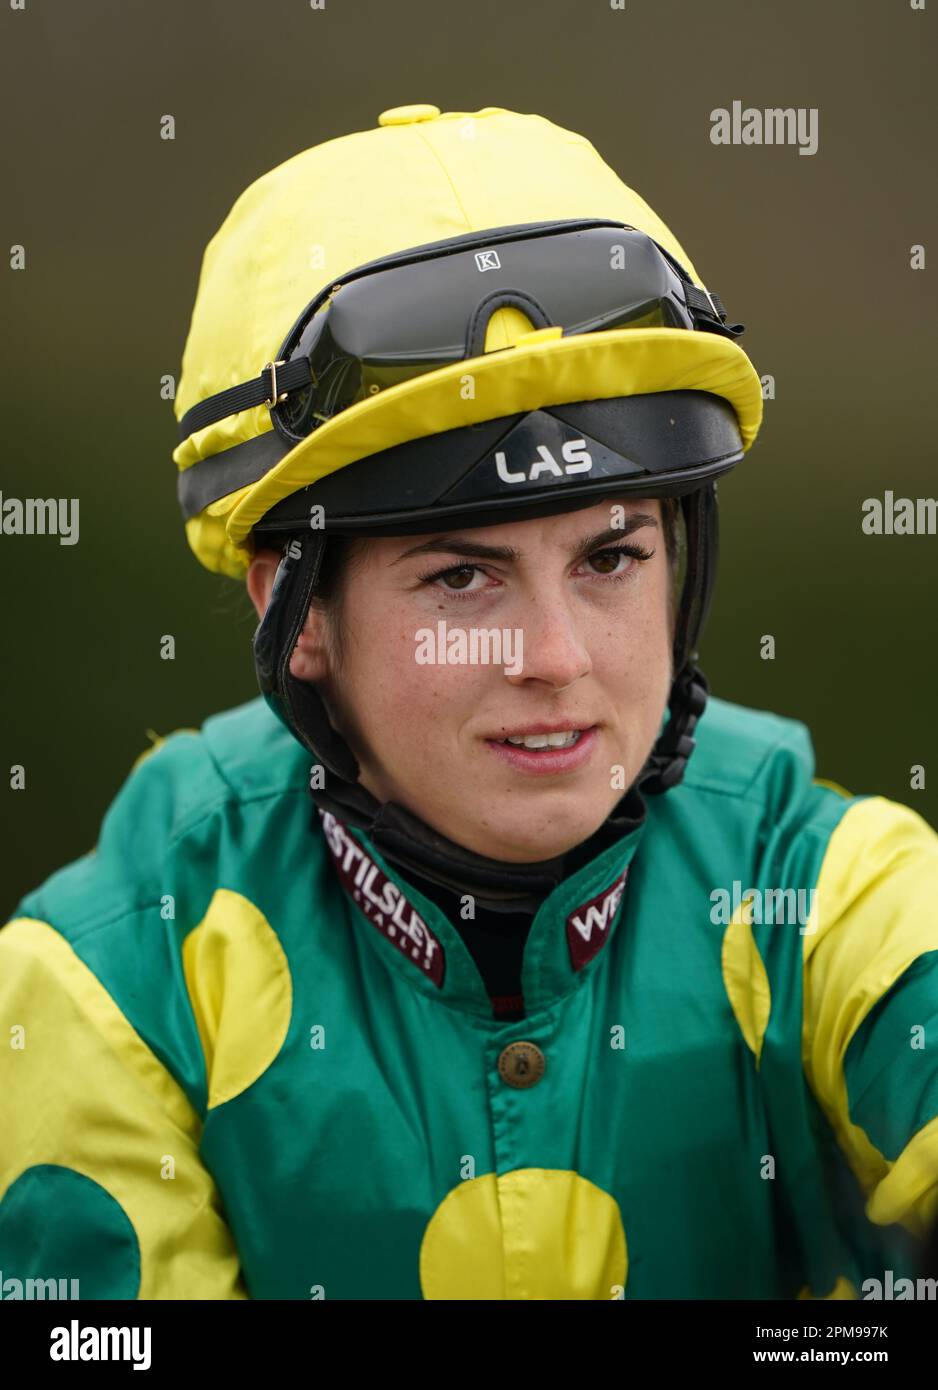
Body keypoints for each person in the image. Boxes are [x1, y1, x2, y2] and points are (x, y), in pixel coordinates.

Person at [1, 103, 936, 1302]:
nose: (554, 657)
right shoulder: (107, 978)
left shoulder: (834, 890)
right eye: (460, 575)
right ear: (298, 610)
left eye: (608, 557)